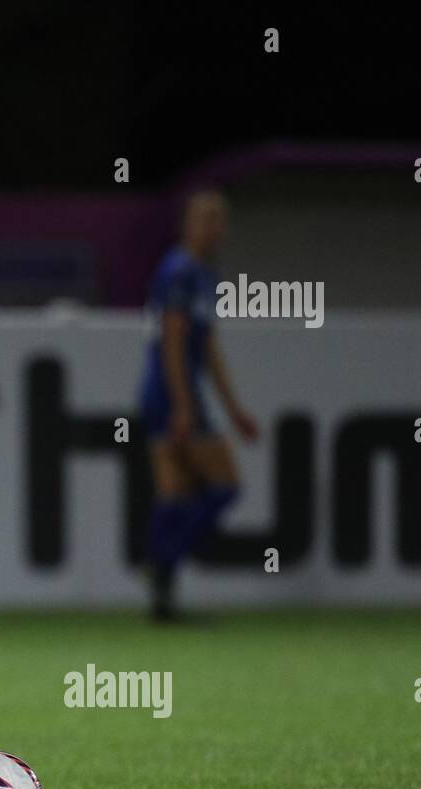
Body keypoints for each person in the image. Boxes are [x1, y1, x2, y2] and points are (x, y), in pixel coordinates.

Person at [137, 189, 258, 620]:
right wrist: (183, 406)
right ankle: (160, 559)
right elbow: (172, 341)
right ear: (186, 224)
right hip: (171, 393)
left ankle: (162, 596)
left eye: (220, 219)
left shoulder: (204, 275)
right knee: (225, 486)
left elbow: (206, 347)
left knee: (175, 493)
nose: (214, 228)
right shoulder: (178, 272)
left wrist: (234, 408)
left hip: (172, 393)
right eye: (206, 218)